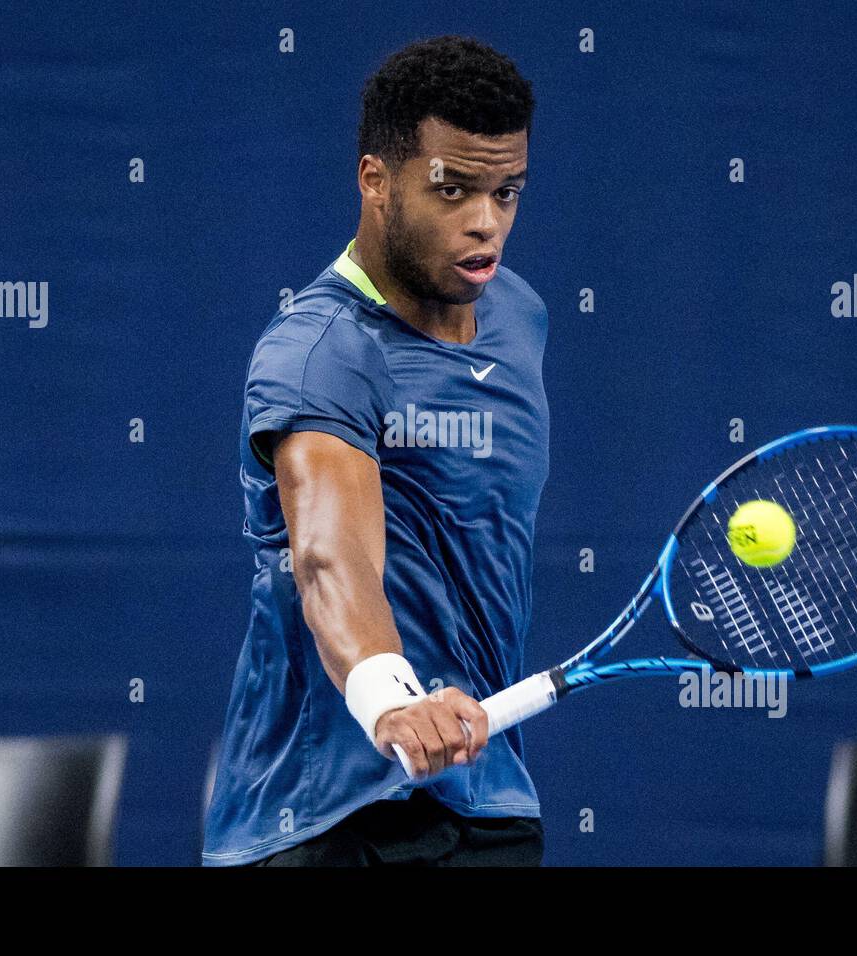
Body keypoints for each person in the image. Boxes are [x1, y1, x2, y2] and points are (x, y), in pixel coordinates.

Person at [203, 34, 549, 866]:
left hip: (489, 798)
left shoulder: (519, 318)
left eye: (507, 192)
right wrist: (390, 698)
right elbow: (330, 560)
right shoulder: (321, 351)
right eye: (453, 189)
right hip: (324, 822)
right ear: (376, 181)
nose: (485, 222)